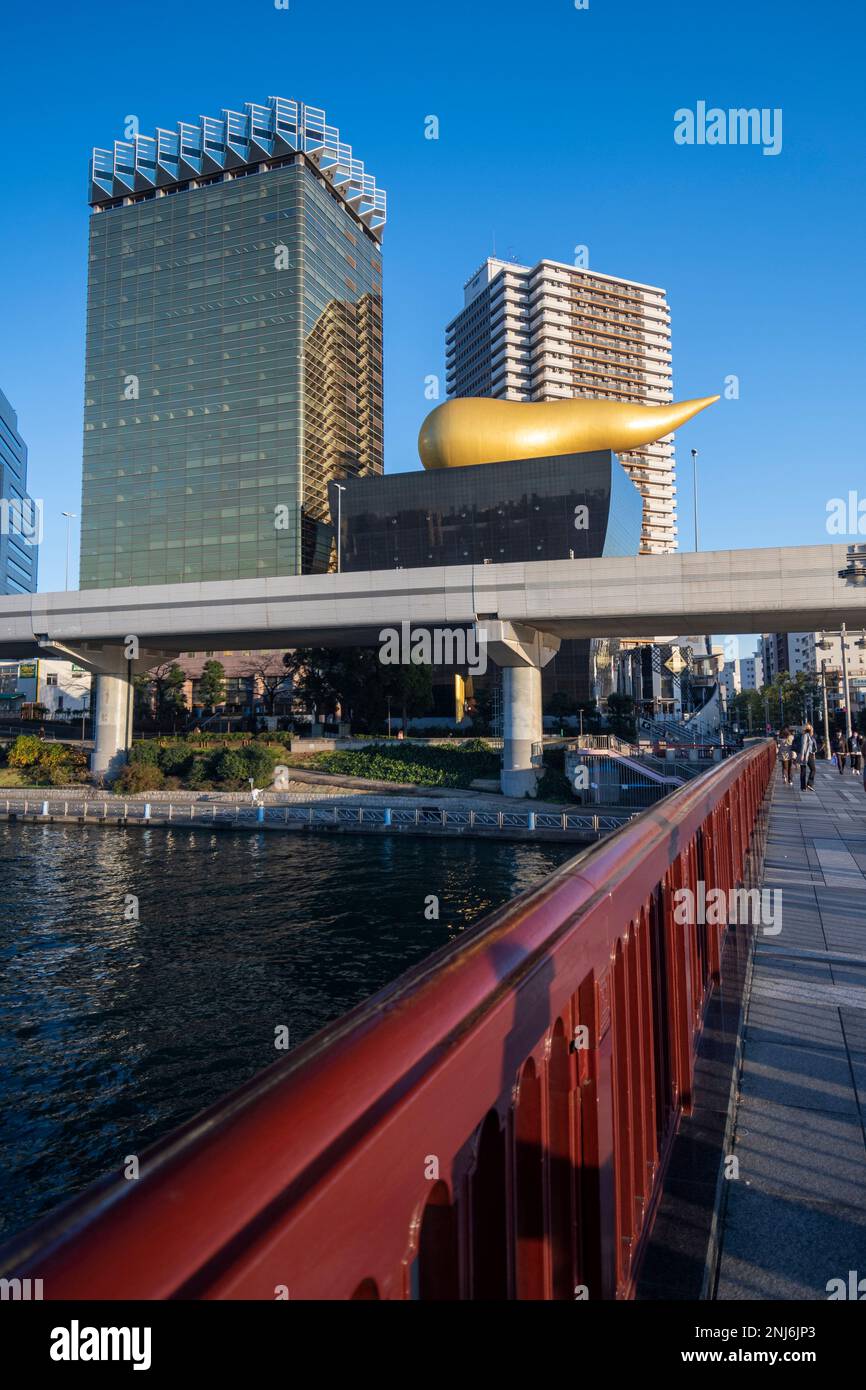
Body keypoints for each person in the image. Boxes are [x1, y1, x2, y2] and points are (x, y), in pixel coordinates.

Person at [799, 723, 817, 792]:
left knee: (810, 769)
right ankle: (806, 786)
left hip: (810, 754)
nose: (812, 728)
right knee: (808, 770)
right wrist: (803, 755)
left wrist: (814, 754)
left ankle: (806, 785)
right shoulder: (805, 735)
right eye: (810, 728)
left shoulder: (810, 736)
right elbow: (803, 745)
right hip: (806, 755)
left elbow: (812, 747)